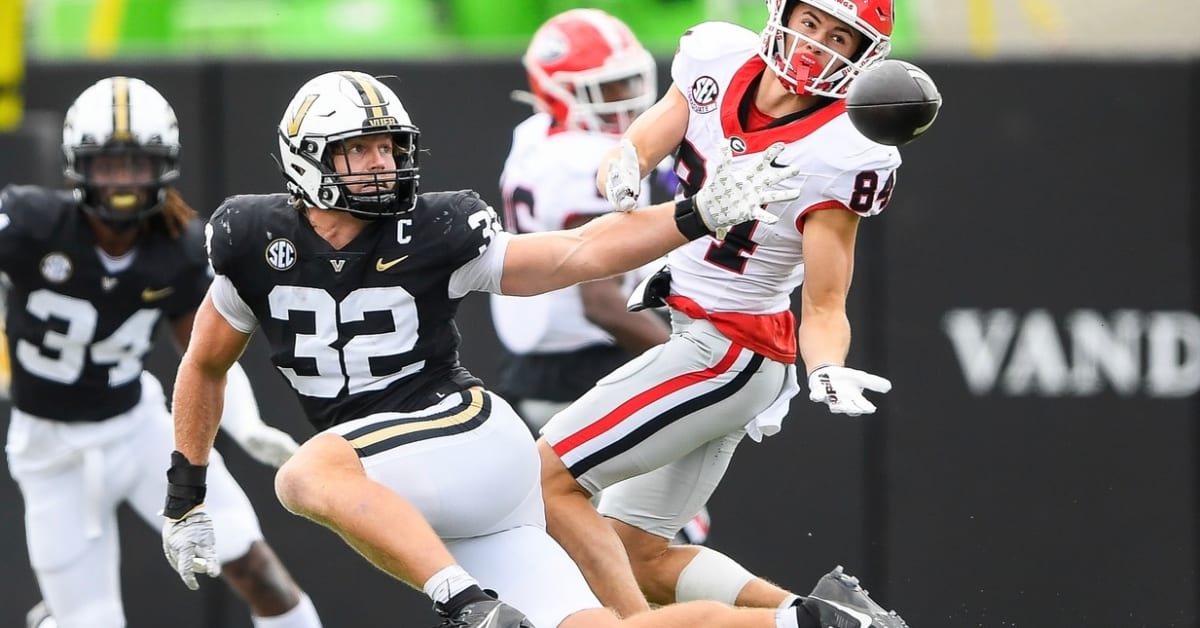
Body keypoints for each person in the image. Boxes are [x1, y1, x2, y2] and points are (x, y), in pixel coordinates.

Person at [156, 69, 884, 628]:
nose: (382, 163)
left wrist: (694, 215)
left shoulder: (434, 230)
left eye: (389, 147)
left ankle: (467, 604)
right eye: (360, 151)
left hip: (462, 437)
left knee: (306, 474)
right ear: (309, 160)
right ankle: (812, 621)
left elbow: (577, 252)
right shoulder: (251, 239)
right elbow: (205, 364)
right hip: (416, 479)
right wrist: (185, 499)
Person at [535, 0, 908, 626]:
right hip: (704, 340)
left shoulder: (842, 150)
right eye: (810, 23)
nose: (817, 44)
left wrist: (826, 366)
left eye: (840, 37)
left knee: (543, 482)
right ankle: (827, 619)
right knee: (639, 556)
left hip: (728, 350)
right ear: (782, 14)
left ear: (864, 58)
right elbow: (635, 149)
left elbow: (823, 302)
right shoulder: (718, 58)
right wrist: (620, 169)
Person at [0, 76, 323, 628]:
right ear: (78, 164)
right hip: (49, 452)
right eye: (109, 165)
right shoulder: (31, 221)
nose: (124, 182)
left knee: (254, 566)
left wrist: (246, 426)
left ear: (164, 165)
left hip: (139, 430)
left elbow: (207, 357)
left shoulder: (178, 247)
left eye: (137, 164)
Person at [491, 8, 712, 547]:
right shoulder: (583, 159)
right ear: (557, 92)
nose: (623, 99)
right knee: (656, 538)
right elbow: (602, 303)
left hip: (536, 365)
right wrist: (697, 366)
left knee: (584, 544)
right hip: (586, 367)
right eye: (605, 88)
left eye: (627, 83)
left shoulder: (534, 135)